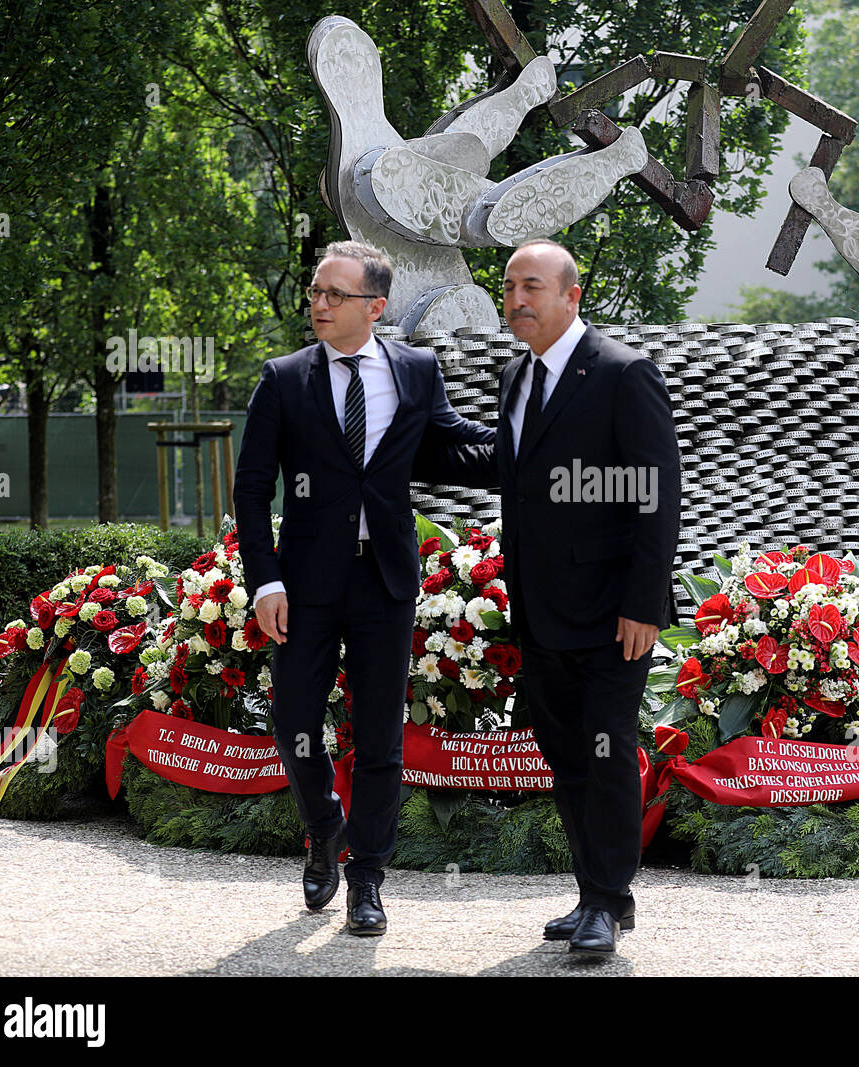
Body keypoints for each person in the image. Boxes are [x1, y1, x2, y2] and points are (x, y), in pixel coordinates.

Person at [428, 238, 681, 955]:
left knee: (605, 750)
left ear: (571, 296)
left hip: (611, 614)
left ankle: (605, 899)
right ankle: (600, 891)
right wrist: (401, 435)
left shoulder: (624, 374)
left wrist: (641, 601)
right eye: (509, 287)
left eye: (531, 286)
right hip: (539, 608)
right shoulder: (517, 376)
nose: (516, 300)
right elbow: (507, 464)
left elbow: (657, 496)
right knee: (566, 754)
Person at [233, 240, 494, 936]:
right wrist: (266, 580)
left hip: (384, 581)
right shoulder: (284, 379)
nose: (319, 303)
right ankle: (324, 826)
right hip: (306, 583)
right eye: (316, 292)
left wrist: (534, 447)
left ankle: (367, 879)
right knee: (293, 723)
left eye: (334, 295)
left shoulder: (414, 369)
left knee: (381, 737)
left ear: (375, 307)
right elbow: (252, 490)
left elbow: (450, 443)